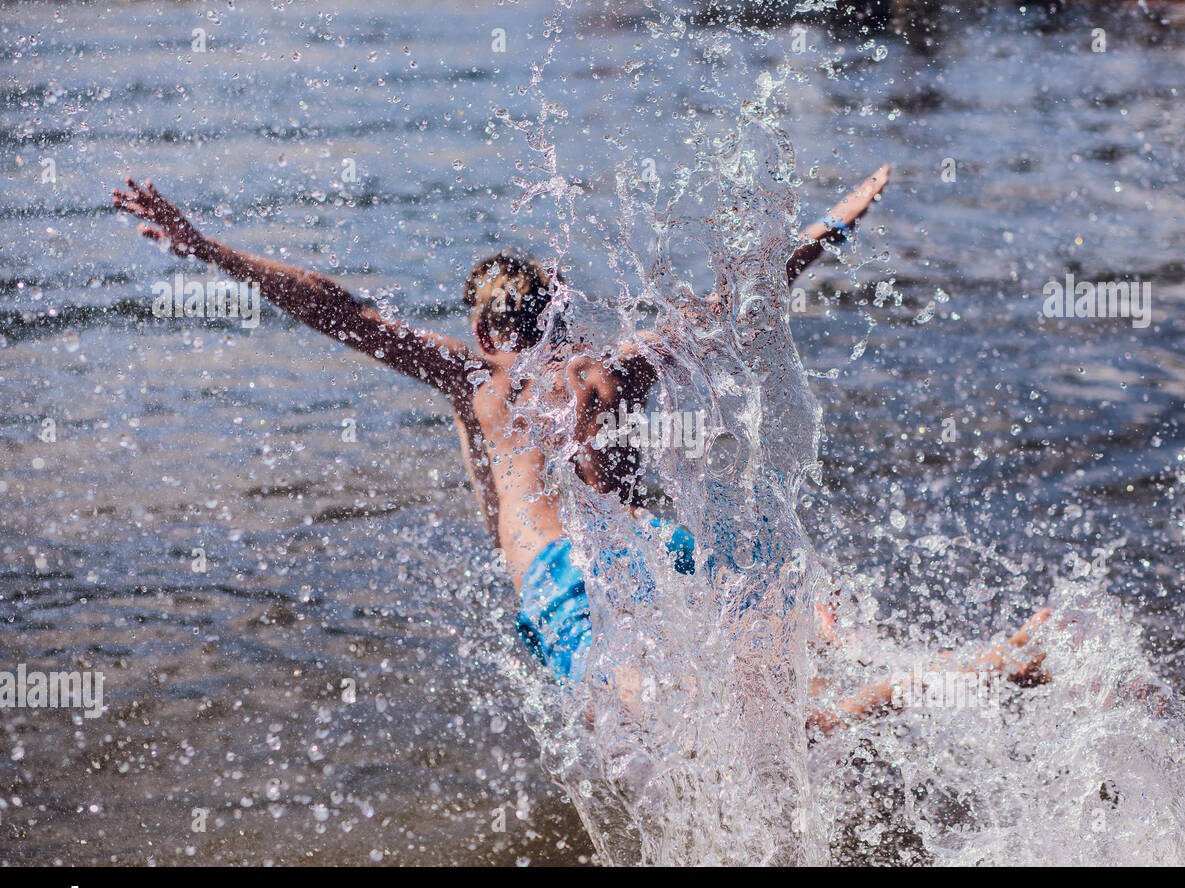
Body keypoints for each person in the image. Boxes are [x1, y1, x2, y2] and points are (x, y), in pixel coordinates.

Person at [112, 164, 1045, 727]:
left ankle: (990, 670)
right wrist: (830, 227)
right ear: (563, 312)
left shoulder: (483, 385)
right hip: (665, 557)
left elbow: (338, 308)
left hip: (571, 588)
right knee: (786, 686)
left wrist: (215, 250)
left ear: (483, 333)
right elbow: (739, 299)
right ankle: (949, 673)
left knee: (717, 731)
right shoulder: (613, 369)